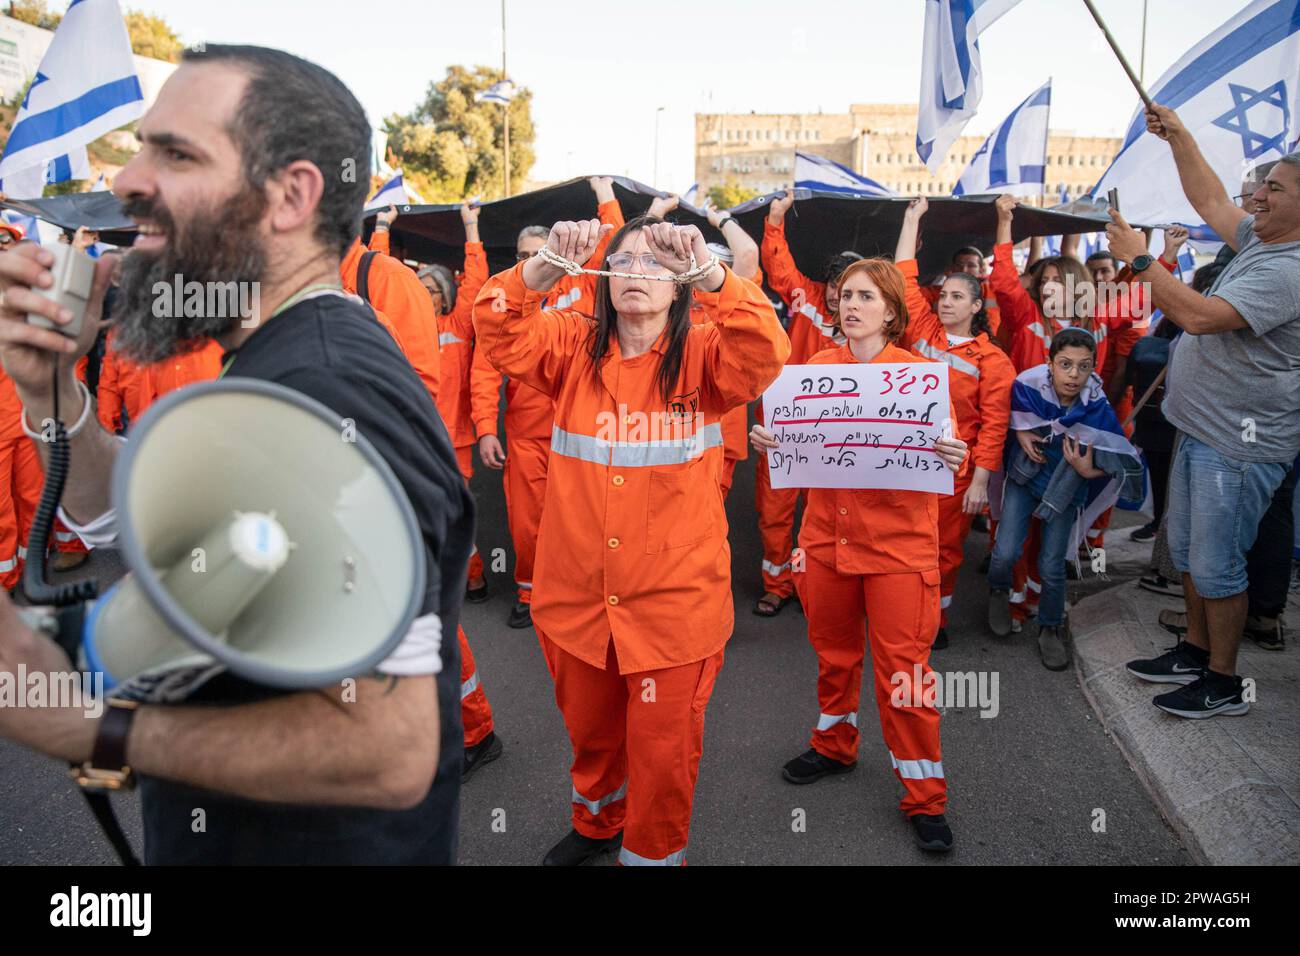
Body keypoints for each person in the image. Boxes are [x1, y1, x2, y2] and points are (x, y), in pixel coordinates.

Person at [0, 44, 473, 864]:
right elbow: (129, 520)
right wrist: (53, 394)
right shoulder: (273, 360)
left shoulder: (327, 390)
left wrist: (86, 723)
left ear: (291, 195)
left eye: (175, 153)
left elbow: (390, 750)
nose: (126, 181)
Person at [474, 215, 788, 866]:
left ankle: (650, 853)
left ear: (678, 287)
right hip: (577, 606)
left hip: (675, 613)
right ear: (601, 278)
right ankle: (596, 825)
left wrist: (710, 271)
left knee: (663, 756)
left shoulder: (708, 355)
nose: (637, 272)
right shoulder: (568, 345)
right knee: (593, 739)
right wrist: (546, 266)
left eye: (656, 263)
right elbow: (498, 328)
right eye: (624, 261)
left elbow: (765, 350)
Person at [749, 258, 969, 853]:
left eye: (865, 297)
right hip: (824, 547)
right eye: (845, 295)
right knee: (834, 657)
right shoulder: (813, 370)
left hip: (899, 552)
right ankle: (833, 745)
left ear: (892, 312)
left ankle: (925, 796)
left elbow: (951, 452)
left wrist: (956, 454)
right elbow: (793, 450)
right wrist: (770, 439)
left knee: (906, 676)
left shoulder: (922, 378)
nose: (850, 305)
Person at [1114, 104, 1300, 717]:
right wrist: (1181, 139)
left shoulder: (1292, 269)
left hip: (1237, 447)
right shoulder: (1260, 240)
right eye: (1263, 183)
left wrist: (1142, 261)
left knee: (1219, 567)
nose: (1259, 194)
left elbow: (1198, 316)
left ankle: (1223, 681)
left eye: (1275, 186)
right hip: (1203, 431)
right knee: (1194, 555)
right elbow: (1212, 201)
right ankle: (1194, 651)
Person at [372, 200, 501, 772]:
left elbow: (475, 278)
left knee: (433, 587)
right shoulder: (389, 329)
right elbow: (369, 275)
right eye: (414, 284)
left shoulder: (458, 324)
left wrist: (472, 226)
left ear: (446, 298)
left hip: (449, 459)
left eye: (431, 286)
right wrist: (379, 229)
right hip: (396, 471)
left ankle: (473, 731)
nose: (422, 292)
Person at [472, 177, 628, 629]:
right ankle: (529, 593)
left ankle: (587, 597)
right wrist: (486, 426)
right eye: (524, 257)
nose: (533, 263)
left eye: (541, 254)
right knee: (527, 523)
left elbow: (616, 244)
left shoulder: (585, 286)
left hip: (584, 431)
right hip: (528, 435)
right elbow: (485, 367)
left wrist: (605, 196)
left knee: (592, 522)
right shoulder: (509, 299)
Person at [896, 198, 1015, 649]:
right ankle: (901, 611)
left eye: (957, 297)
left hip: (952, 472)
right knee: (905, 543)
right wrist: (912, 219)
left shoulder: (993, 361)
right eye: (943, 294)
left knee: (943, 551)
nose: (946, 302)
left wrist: (980, 482)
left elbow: (994, 428)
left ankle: (934, 625)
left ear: (976, 305)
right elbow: (905, 276)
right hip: (905, 462)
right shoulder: (922, 329)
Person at [987, 328, 1142, 670]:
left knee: (1051, 566)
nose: (1073, 375)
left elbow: (1117, 455)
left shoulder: (1096, 403)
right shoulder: (1027, 385)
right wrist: (1020, 429)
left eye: (1083, 367)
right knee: (1006, 551)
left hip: (1066, 489)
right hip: (1024, 479)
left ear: (1093, 368)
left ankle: (1050, 627)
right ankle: (998, 589)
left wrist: (1090, 472)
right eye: (1065, 365)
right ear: (1049, 364)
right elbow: (999, 415)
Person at [756, 187, 861, 616]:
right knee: (776, 507)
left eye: (851, 287)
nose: (839, 294)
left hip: (838, 433)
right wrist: (775, 218)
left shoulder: (869, 322)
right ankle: (777, 583)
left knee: (832, 514)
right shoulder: (805, 297)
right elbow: (778, 264)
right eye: (836, 284)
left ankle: (817, 583)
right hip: (787, 424)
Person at [698, 199, 763, 499]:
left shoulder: (730, 304)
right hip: (669, 433)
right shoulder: (670, 302)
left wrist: (720, 219)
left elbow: (748, 253)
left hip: (716, 436)